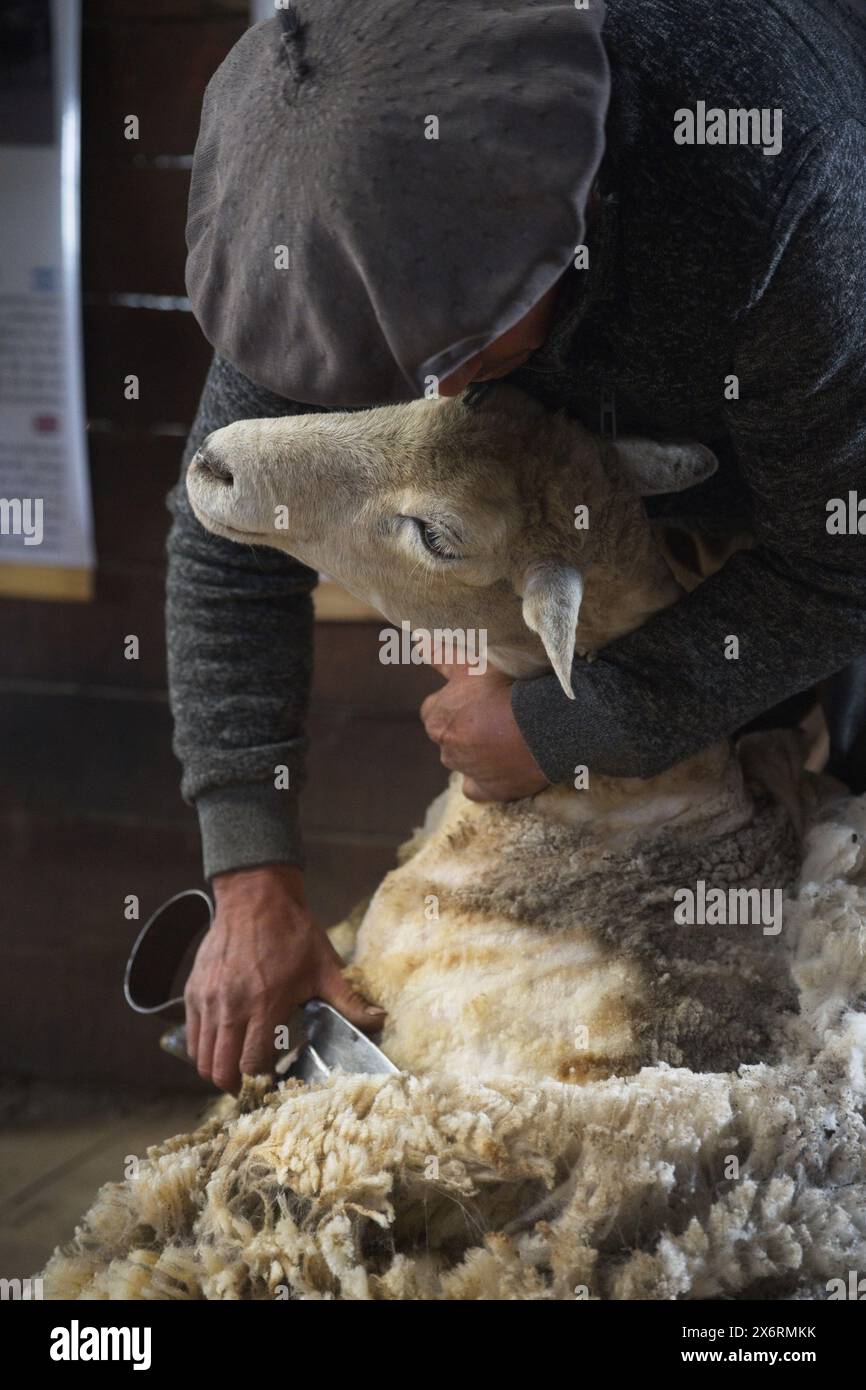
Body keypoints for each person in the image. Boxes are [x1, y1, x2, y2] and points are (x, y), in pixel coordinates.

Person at [167, 0, 866, 1093]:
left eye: (455, 348)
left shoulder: (772, 166)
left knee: (836, 922)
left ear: (564, 211)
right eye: (385, 368)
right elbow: (223, 533)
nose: (428, 394)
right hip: (618, 490)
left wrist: (560, 724)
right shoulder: (325, 203)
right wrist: (251, 874)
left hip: (817, 423)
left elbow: (841, 560)